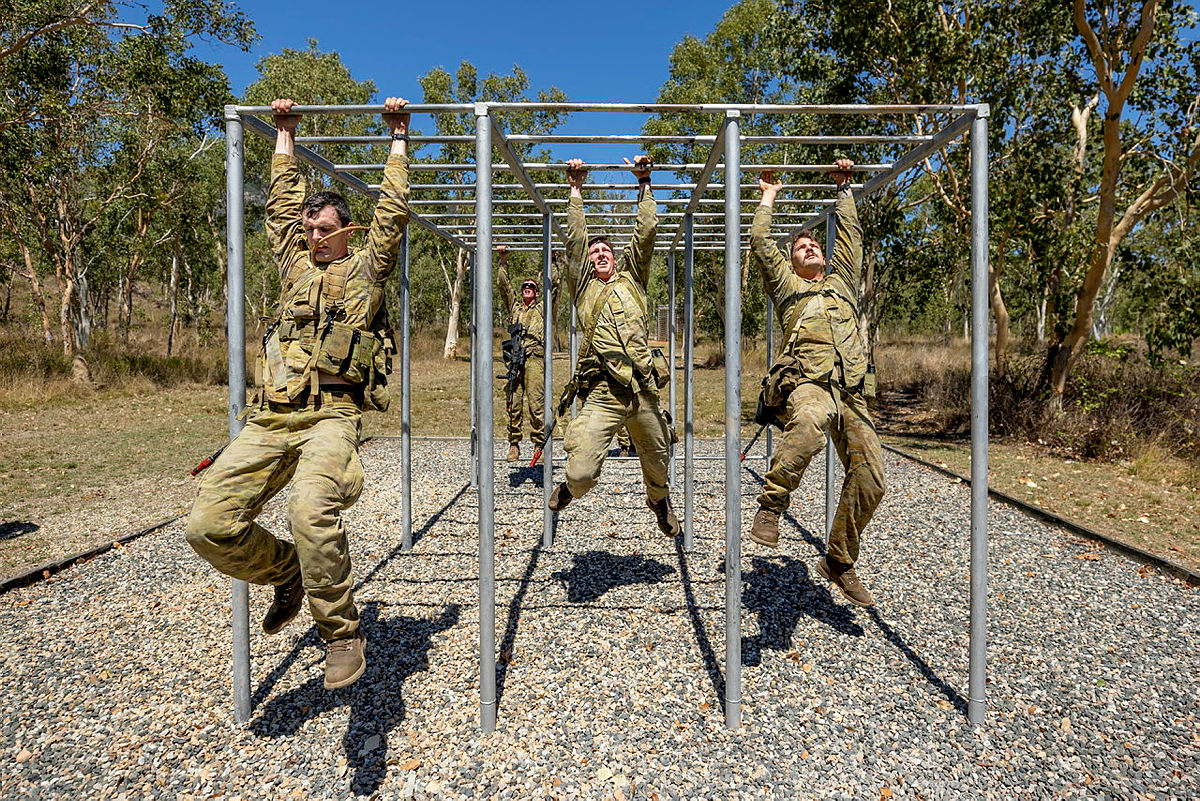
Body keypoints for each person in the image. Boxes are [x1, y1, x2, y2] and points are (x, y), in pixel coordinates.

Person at [185, 96, 413, 689]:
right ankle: (286, 571)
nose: (313, 235)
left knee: (310, 509)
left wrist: (397, 138)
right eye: (309, 229)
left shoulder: (367, 270)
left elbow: (392, 213)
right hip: (268, 418)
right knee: (207, 524)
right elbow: (279, 210)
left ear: (347, 232)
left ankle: (340, 631)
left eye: (325, 228)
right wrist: (285, 133)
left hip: (331, 418)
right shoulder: (294, 266)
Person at [748, 159, 886, 607]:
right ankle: (771, 506)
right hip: (809, 383)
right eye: (800, 247)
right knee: (809, 422)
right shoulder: (789, 289)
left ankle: (839, 561)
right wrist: (768, 196)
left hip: (851, 391)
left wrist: (845, 189)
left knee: (872, 479)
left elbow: (852, 239)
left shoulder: (843, 283)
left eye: (812, 244)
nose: (808, 247)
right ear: (791, 264)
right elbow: (759, 242)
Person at [548, 156, 679, 537]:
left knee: (658, 462)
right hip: (604, 393)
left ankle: (659, 501)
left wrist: (645, 183)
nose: (599, 254)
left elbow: (647, 232)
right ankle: (569, 489)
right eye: (594, 253)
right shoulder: (584, 289)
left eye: (606, 251)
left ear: (616, 258)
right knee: (582, 471)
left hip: (643, 391)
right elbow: (574, 242)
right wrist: (575, 192)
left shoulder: (633, 281)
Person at [496, 245, 553, 462]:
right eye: (524, 287)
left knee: (536, 402)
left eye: (531, 287)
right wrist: (503, 262)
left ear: (537, 293)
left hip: (535, 359)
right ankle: (514, 444)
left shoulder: (541, 309)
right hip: (515, 359)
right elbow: (504, 286)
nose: (527, 288)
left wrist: (553, 261)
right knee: (513, 401)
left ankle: (540, 443)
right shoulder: (515, 308)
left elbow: (553, 288)